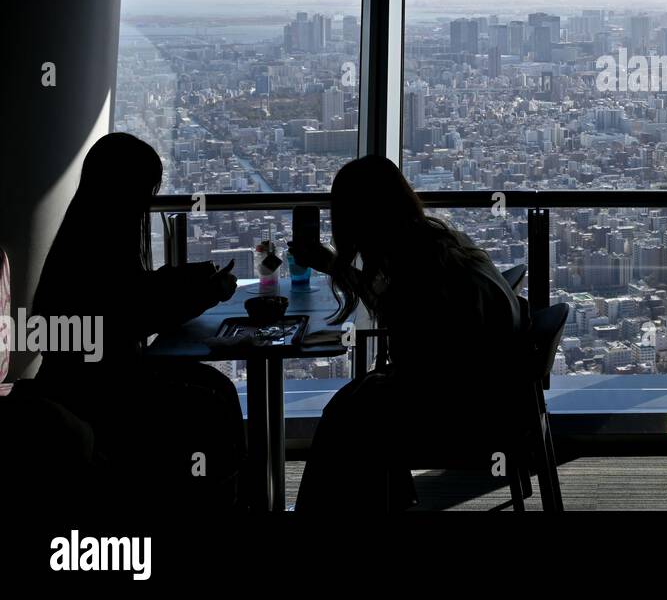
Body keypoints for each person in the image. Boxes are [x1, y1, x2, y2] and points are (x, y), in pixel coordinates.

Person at [290, 154, 522, 511]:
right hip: (494, 394)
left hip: (460, 410)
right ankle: (384, 499)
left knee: (344, 416)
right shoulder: (441, 241)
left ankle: (331, 507)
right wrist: (331, 264)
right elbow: (404, 316)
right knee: (351, 404)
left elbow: (415, 356)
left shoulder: (418, 270)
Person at [32, 132, 245, 508]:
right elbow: (140, 309)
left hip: (82, 386)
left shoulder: (82, 240)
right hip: (102, 395)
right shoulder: (104, 246)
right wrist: (207, 289)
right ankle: (221, 501)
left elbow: (134, 299)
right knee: (213, 400)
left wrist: (192, 281)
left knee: (217, 391)